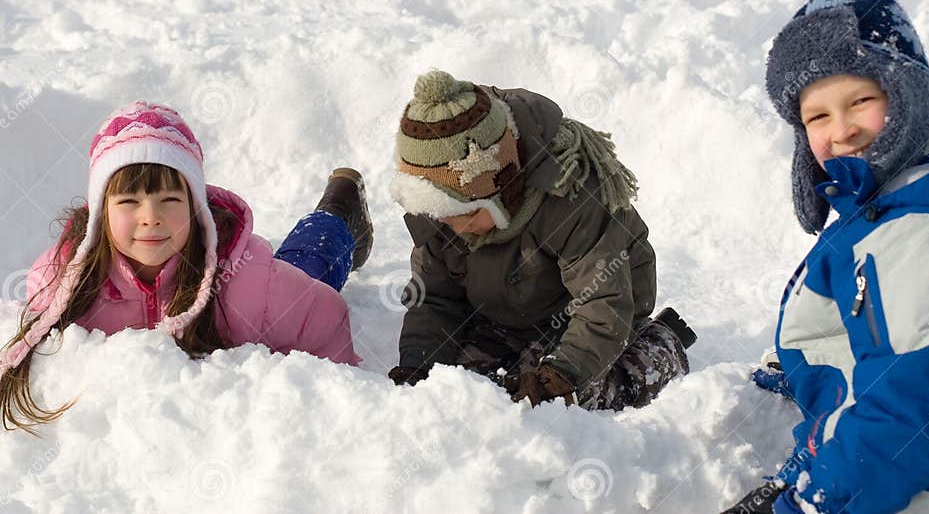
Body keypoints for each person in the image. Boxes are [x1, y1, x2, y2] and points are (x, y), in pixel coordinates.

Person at [723, 0, 929, 513]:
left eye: (860, 102)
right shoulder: (903, 195)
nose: (841, 129)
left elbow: (906, 410)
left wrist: (811, 504)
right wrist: (817, 369)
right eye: (817, 117)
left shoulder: (920, 229)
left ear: (906, 94)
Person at [0, 101, 373, 433]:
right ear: (101, 212)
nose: (151, 218)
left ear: (196, 208)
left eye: (170, 199)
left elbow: (327, 317)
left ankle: (340, 206)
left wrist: (323, 410)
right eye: (129, 201)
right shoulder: (65, 283)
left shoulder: (251, 285)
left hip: (247, 271)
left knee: (309, 263)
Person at [385, 69, 696, 411]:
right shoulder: (442, 212)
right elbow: (435, 298)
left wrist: (561, 374)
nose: (453, 227)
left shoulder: (571, 197)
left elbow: (603, 303)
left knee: (571, 403)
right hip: (503, 311)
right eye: (441, 215)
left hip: (590, 312)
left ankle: (660, 348)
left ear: (502, 188)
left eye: (468, 214)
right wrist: (419, 366)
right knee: (465, 387)